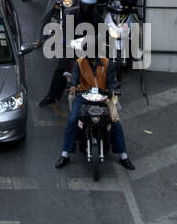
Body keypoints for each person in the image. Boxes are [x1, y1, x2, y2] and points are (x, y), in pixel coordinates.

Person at [55, 39, 135, 169]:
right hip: (84, 96)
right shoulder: (79, 63)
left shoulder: (107, 63)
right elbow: (74, 79)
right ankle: (65, 154)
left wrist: (112, 90)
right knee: (73, 119)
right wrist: (73, 87)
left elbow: (112, 82)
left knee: (115, 122)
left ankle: (123, 156)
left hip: (103, 97)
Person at [37, 0, 100, 106]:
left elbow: (101, 34)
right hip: (72, 45)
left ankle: (95, 95)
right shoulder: (71, 14)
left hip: (89, 48)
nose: (87, 8)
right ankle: (52, 95)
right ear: (81, 4)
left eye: (89, 6)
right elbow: (66, 33)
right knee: (61, 69)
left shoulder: (97, 17)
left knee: (96, 69)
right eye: (85, 5)